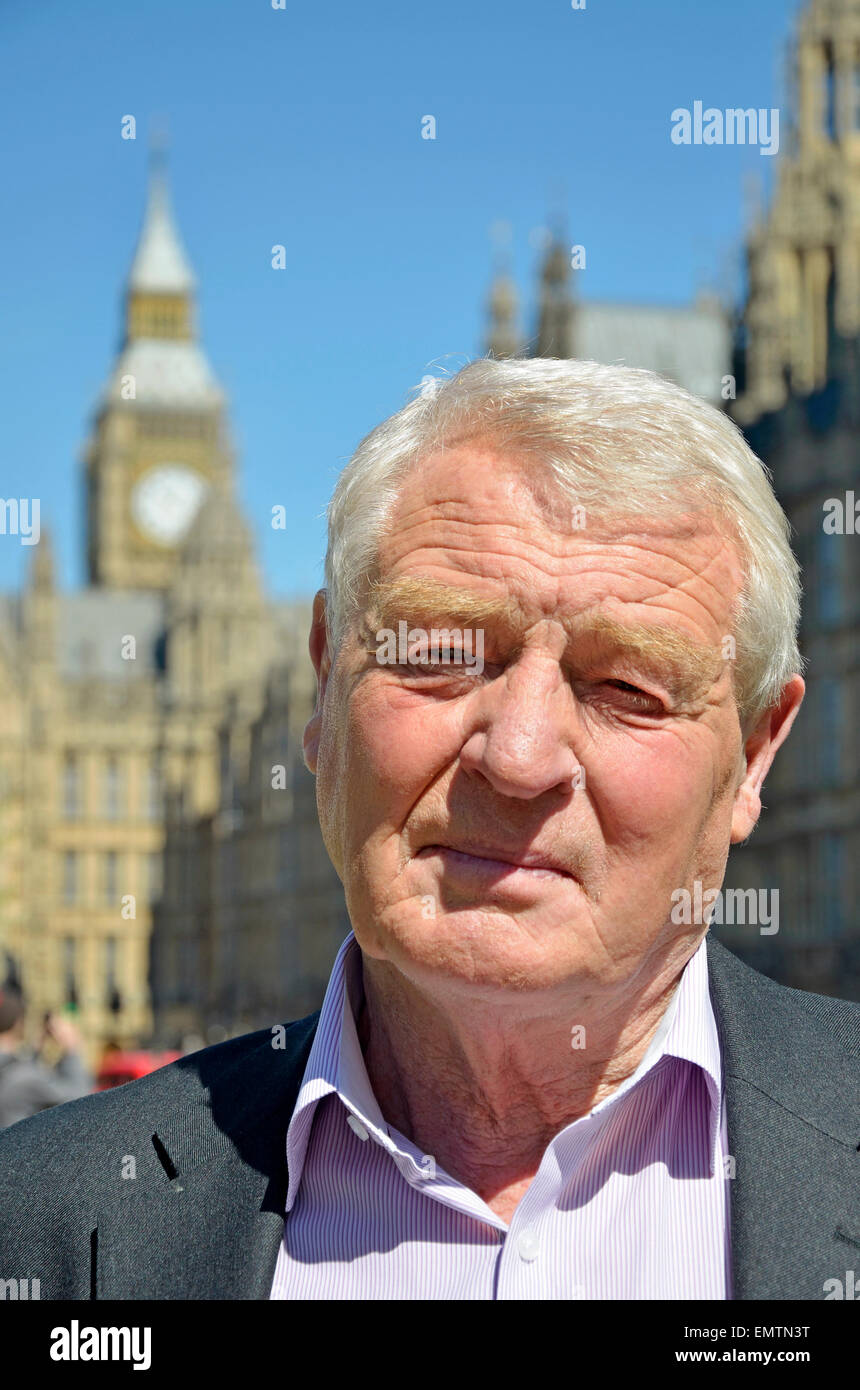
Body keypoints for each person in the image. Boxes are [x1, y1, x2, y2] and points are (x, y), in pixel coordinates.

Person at [0, 357, 857, 1300]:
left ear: (755, 755)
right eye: (441, 654)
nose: (520, 757)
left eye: (627, 688)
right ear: (324, 684)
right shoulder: (40, 1219)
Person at [0, 987, 93, 1129]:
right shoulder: (24, 1077)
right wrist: (72, 1048)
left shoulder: (20, 1071)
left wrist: (35, 1051)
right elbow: (80, 1099)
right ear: (18, 1024)